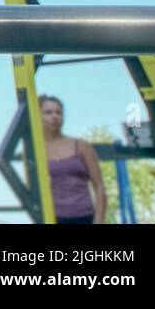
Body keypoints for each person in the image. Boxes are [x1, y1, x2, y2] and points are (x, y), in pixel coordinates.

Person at [38, 95, 107, 224]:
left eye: (58, 112)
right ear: (38, 116)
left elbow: (99, 186)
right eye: (48, 112)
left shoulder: (81, 146)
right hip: (52, 218)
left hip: (84, 216)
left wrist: (99, 220)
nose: (54, 116)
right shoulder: (36, 150)